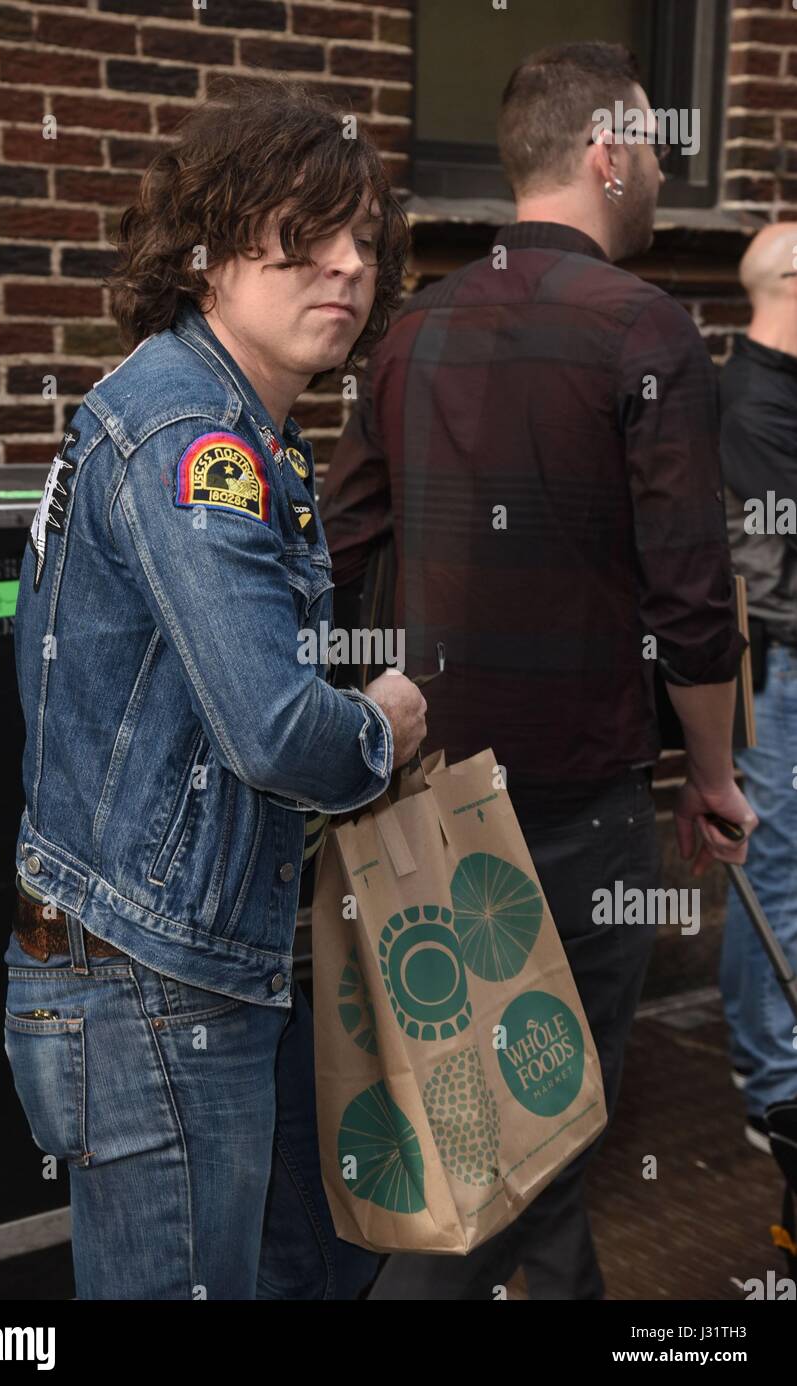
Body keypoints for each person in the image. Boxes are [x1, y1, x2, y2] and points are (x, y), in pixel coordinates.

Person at [319, 41, 756, 1300]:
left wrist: (345, 734)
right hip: (572, 804)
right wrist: (712, 778)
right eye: (654, 147)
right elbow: (687, 597)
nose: (666, 170)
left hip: (428, 793)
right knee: (526, 1134)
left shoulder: (408, 334)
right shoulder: (647, 328)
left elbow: (335, 552)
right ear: (606, 153)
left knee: (497, 1125)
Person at [2, 80, 427, 1301]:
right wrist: (380, 729)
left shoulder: (209, 420)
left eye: (364, 239)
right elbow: (276, 728)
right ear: (208, 246)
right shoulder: (195, 435)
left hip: (173, 964)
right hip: (151, 985)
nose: (346, 264)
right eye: (306, 231)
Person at [719, 222, 797, 1154]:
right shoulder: (749, 401)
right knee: (770, 867)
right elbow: (764, 566)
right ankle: (770, 1082)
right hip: (773, 665)